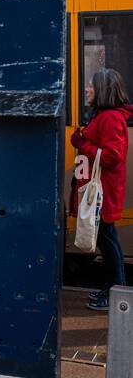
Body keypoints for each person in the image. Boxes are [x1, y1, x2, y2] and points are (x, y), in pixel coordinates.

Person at [72, 68, 131, 311]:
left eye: (91, 86)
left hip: (103, 192)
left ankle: (117, 291)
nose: (86, 89)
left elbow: (112, 157)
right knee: (108, 241)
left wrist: (82, 143)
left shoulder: (110, 118)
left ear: (104, 91)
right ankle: (112, 289)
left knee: (109, 242)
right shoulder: (104, 115)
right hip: (102, 191)